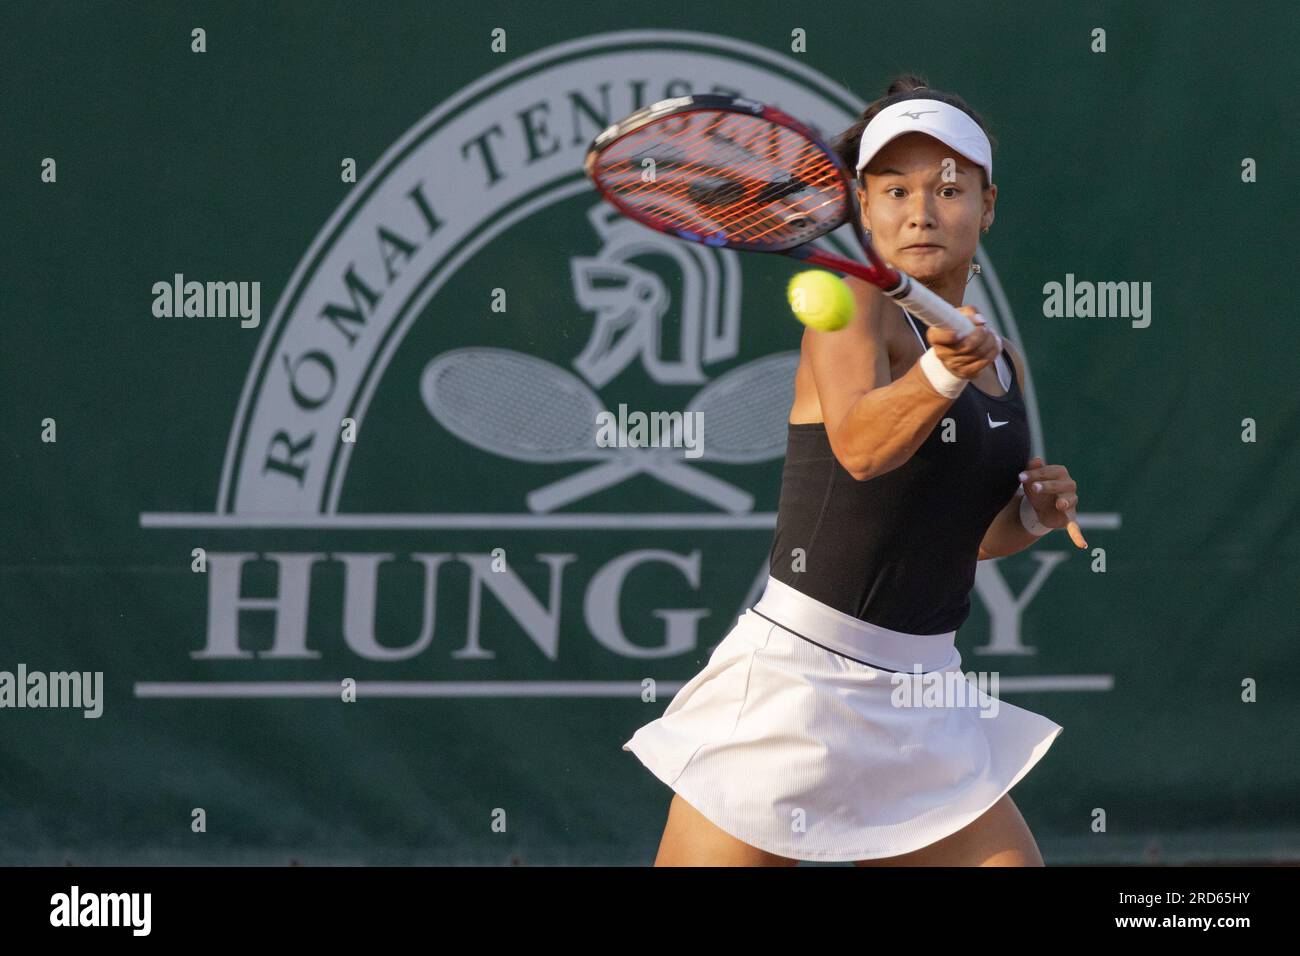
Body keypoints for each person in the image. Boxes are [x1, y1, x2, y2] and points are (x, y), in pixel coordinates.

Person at [622, 74, 1086, 866]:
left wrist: (1034, 516)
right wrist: (939, 375)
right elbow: (863, 452)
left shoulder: (1001, 356)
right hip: (796, 692)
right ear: (863, 208)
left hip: (923, 699)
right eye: (894, 189)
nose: (921, 209)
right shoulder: (853, 301)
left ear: (987, 205)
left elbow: (965, 539)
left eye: (948, 188)